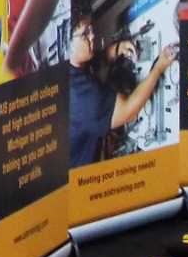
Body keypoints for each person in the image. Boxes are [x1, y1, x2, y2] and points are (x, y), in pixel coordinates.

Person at [67, 15, 180, 165]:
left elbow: (89, 63)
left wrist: (116, 50)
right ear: (66, 44)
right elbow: (128, 112)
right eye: (85, 34)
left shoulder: (66, 65)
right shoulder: (81, 96)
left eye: (91, 29)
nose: (93, 35)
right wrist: (159, 68)